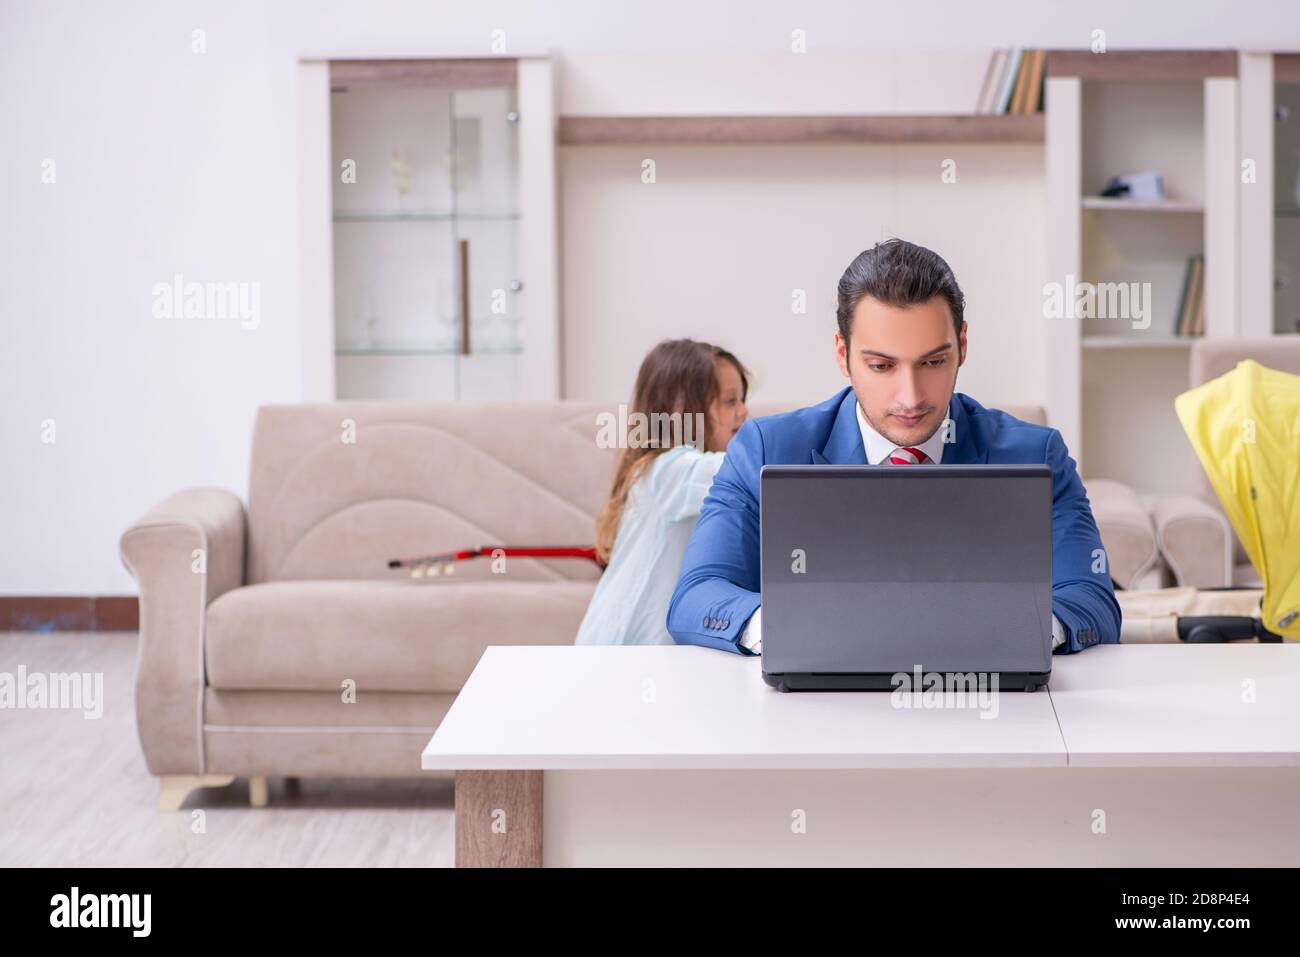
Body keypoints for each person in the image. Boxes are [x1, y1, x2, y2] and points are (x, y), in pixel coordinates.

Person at [667, 238, 1121, 656]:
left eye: (933, 362)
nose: (911, 396)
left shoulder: (1035, 454)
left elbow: (1092, 601)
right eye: (882, 365)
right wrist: (792, 628)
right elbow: (696, 597)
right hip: (814, 717)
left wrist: (1011, 629)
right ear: (843, 354)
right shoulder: (764, 450)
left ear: (962, 346)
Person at [575, 339, 750, 646]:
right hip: (619, 650)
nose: (744, 411)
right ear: (686, 410)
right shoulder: (671, 471)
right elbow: (742, 471)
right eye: (730, 401)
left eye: (742, 399)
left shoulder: (661, 472)